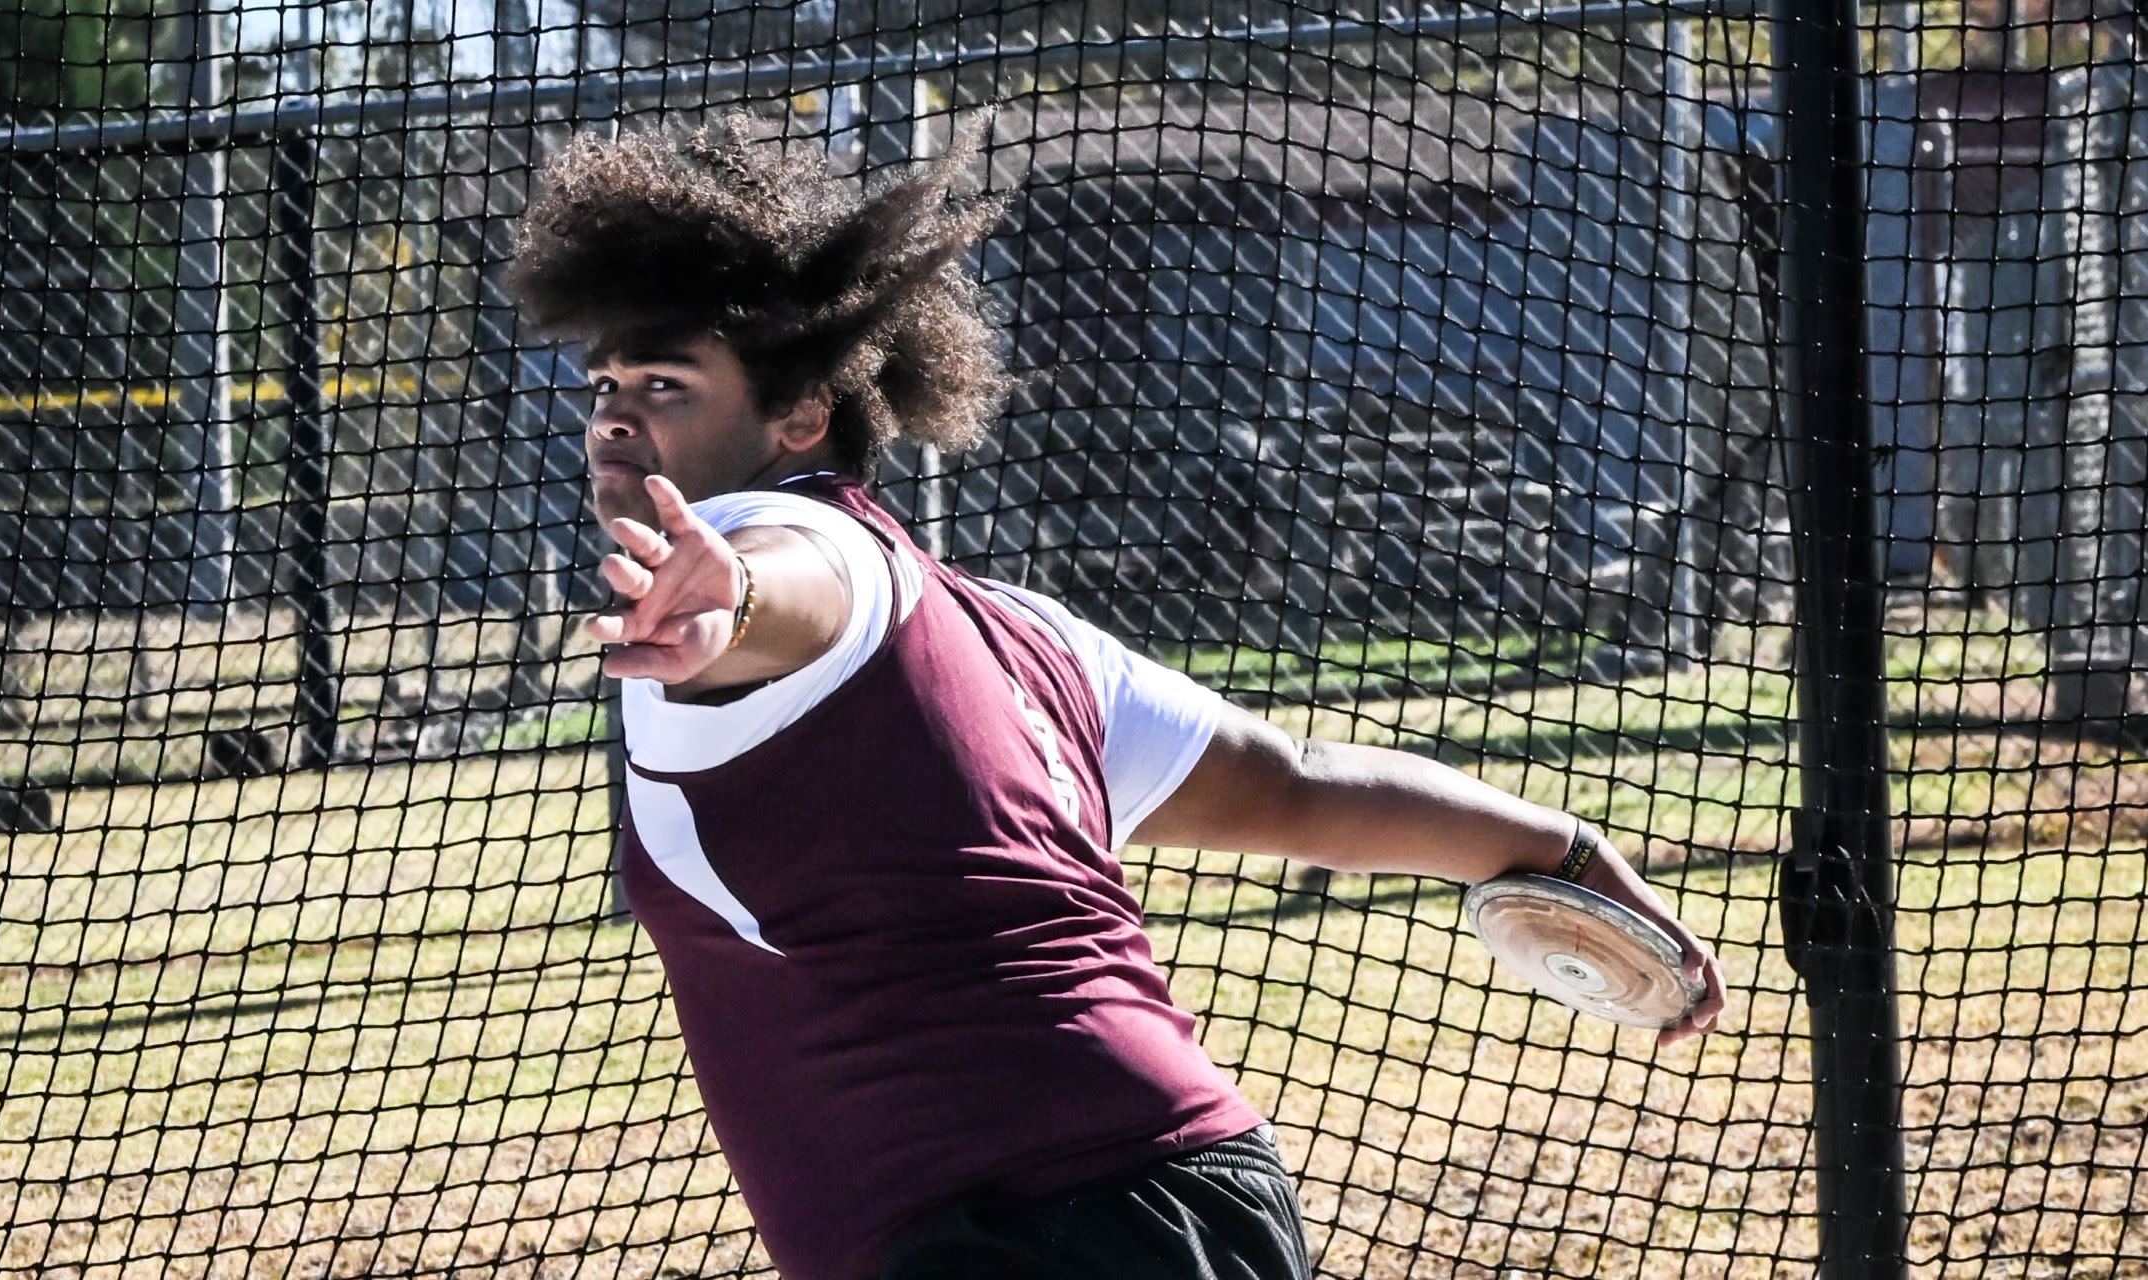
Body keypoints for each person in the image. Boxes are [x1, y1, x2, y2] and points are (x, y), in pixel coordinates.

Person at [503, 113, 1728, 1280]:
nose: (613, 414)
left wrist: (736, 605)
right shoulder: (1025, 633)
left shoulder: (768, 541)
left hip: (1025, 1232)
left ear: (802, 412)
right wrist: (1553, 842)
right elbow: (1294, 785)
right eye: (603, 383)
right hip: (1199, 1194)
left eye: (664, 382)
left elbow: (798, 577)